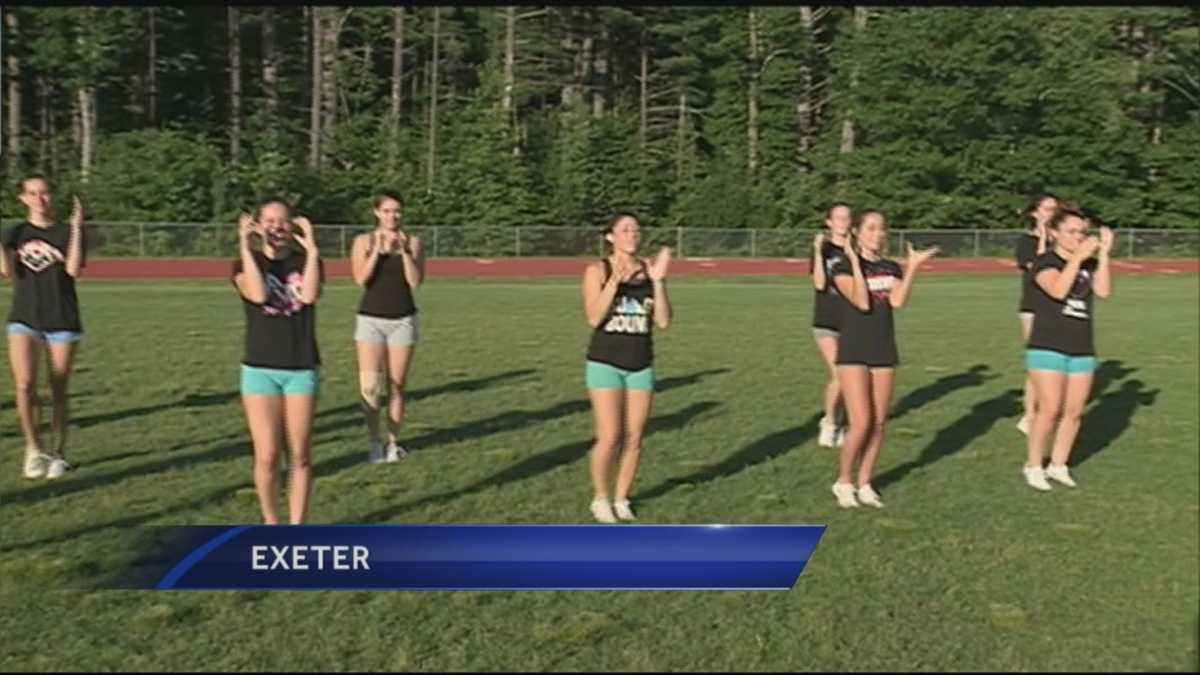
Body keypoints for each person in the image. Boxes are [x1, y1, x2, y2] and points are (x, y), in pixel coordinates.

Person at [829, 210, 938, 509]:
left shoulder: (891, 267)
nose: (878, 234)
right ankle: (844, 480)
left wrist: (912, 266)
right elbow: (862, 302)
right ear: (858, 232)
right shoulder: (840, 265)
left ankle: (865, 482)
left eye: (882, 229)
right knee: (861, 422)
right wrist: (854, 260)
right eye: (871, 228)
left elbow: (898, 301)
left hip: (883, 349)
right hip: (853, 350)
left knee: (878, 423)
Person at [232, 198, 324, 524]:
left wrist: (312, 251)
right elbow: (257, 295)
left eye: (283, 221)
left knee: (299, 454)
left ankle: (297, 527)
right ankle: (272, 524)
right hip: (260, 368)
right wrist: (245, 246)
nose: (277, 228)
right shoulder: (246, 263)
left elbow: (310, 295)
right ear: (257, 226)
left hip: (301, 368)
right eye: (269, 221)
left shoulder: (306, 261)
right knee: (268, 455)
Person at [581, 213, 672, 523]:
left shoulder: (649, 270)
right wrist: (615, 283)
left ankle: (622, 498)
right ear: (610, 237)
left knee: (635, 437)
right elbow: (593, 317)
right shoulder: (597, 269)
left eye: (636, 229)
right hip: (605, 361)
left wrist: (658, 283)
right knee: (610, 436)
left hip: (640, 363)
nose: (633, 234)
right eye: (625, 229)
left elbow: (663, 321)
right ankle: (601, 498)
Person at [0, 175, 87, 480]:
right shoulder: (15, 233)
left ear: (52, 196)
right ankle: (33, 449)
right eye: (32, 194)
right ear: (23, 198)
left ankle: (59, 453)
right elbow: (6, 272)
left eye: (45, 193)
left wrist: (76, 229)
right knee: (24, 385)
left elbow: (73, 270)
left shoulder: (66, 231)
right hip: (24, 318)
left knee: (58, 387)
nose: (40, 199)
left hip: (62, 320)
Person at [1022, 207, 1113, 491]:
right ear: (1054, 233)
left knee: (1074, 411)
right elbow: (1058, 290)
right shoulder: (1044, 261)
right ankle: (1034, 465)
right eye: (1072, 231)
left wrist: (1105, 255)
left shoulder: (1088, 263)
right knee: (1049, 409)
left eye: (1083, 232)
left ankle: (1059, 464)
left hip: (1081, 345)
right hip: (1047, 344)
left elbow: (1104, 291)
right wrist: (1078, 258)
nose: (1078, 237)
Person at [350, 190, 424, 464]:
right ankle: (374, 442)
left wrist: (404, 252)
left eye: (397, 211)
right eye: (387, 211)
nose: (393, 216)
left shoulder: (414, 242)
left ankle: (393, 443)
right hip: (371, 319)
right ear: (377, 212)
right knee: (370, 386)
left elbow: (415, 282)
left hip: (402, 320)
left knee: (397, 385)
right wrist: (377, 252)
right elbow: (360, 278)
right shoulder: (363, 241)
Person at [1015, 193, 1060, 435]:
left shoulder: (1060, 241)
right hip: (1033, 307)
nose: (1051, 213)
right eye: (1047, 209)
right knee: (1037, 362)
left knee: (1053, 362)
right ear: (1035, 212)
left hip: (1057, 308)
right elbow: (1037, 270)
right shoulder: (1026, 242)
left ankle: (1046, 410)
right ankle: (1029, 415)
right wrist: (1043, 240)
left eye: (1055, 209)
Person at [810, 203, 853, 448]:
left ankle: (846, 423)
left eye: (847, 217)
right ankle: (829, 422)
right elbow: (819, 284)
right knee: (839, 373)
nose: (843, 221)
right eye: (838, 218)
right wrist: (817, 252)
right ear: (829, 222)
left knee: (854, 375)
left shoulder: (856, 248)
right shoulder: (824, 249)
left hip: (853, 320)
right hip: (827, 319)